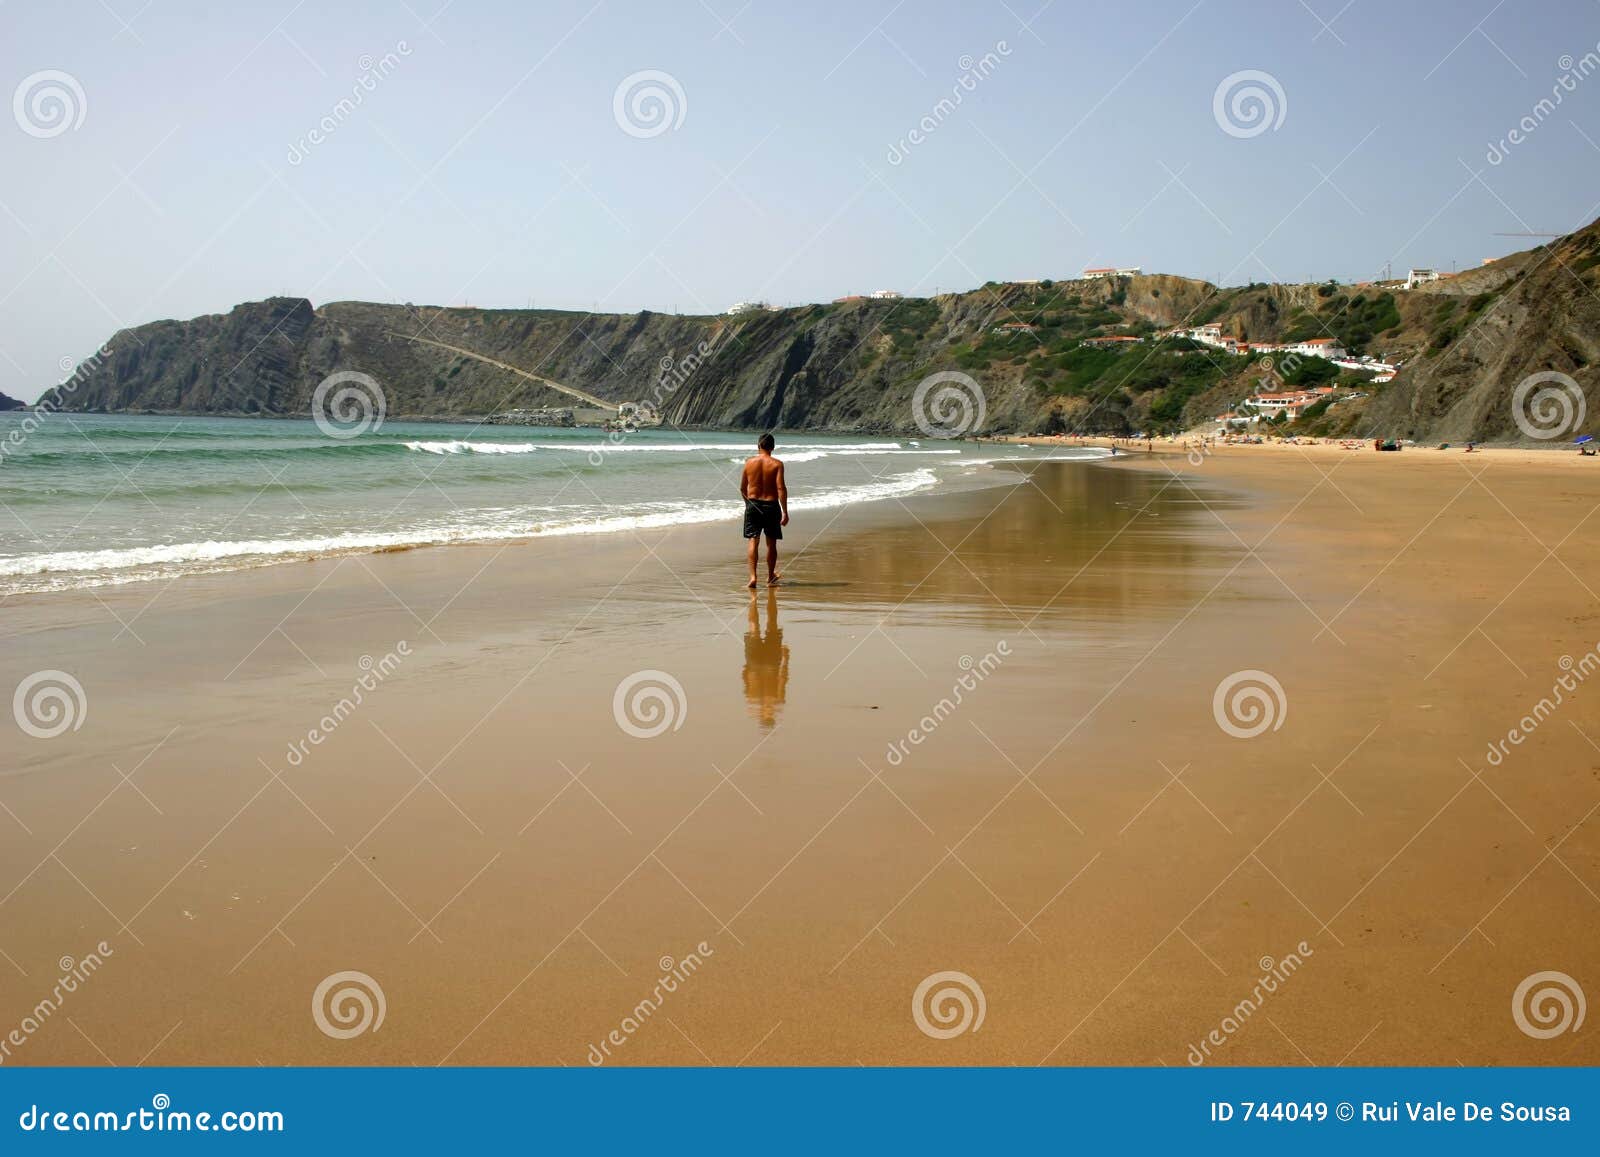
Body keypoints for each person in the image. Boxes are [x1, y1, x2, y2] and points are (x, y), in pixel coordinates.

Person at [740, 432, 788, 588]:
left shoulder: (748, 463)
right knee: (771, 543)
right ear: (773, 447)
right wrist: (785, 511)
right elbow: (781, 488)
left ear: (758, 446)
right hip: (771, 505)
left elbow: (742, 488)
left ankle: (753, 577)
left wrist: (748, 505)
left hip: (753, 504)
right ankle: (770, 576)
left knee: (753, 540)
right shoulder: (777, 464)